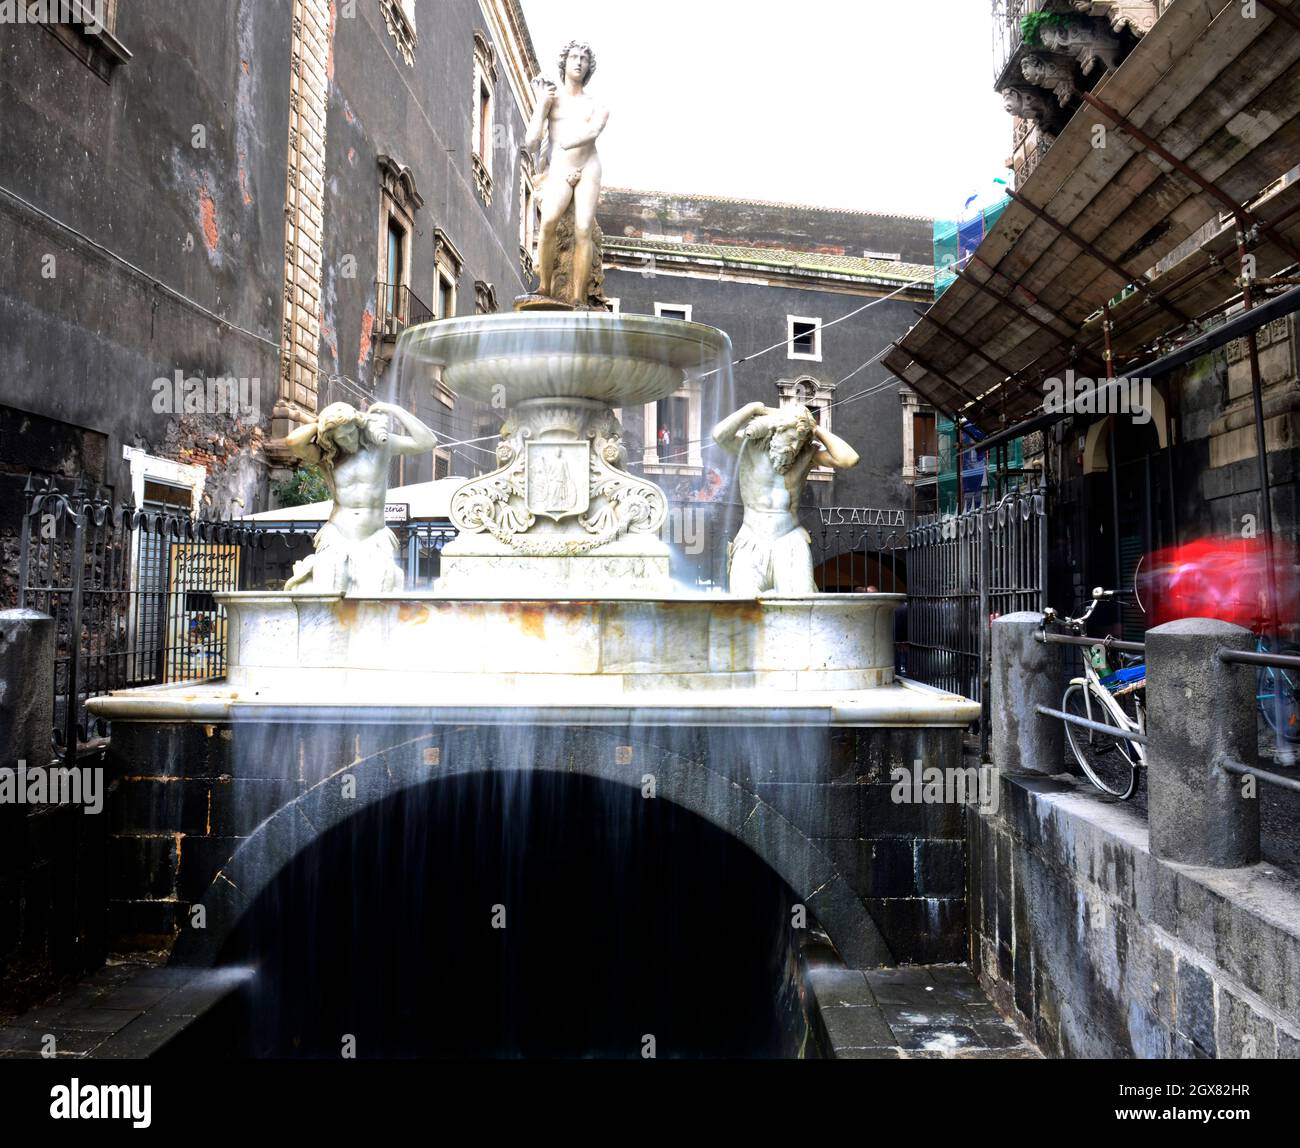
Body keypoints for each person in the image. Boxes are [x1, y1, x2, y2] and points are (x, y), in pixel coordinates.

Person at [283, 401, 437, 594]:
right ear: (332, 439)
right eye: (342, 438)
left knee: (375, 596)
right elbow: (292, 442)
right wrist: (322, 422)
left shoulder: (381, 446)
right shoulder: (327, 457)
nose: (349, 440)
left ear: (358, 426)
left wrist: (394, 409)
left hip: (374, 535)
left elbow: (427, 442)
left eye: (351, 432)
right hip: (337, 534)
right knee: (328, 594)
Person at [711, 401, 859, 595]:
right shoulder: (750, 447)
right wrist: (752, 408)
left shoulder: (807, 454)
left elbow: (849, 459)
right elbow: (718, 435)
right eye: (792, 438)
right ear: (779, 430)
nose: (795, 446)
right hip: (751, 539)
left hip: (789, 540)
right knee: (744, 607)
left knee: (799, 606)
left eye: (801, 441)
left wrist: (816, 429)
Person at [525, 40, 607, 306]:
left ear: (589, 67)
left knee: (583, 229)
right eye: (574, 56)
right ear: (565, 62)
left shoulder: (597, 106)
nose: (579, 62)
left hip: (588, 167)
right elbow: (531, 141)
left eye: (584, 58)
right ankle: (545, 286)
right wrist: (540, 104)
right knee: (548, 222)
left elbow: (593, 132)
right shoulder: (552, 99)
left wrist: (568, 144)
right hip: (560, 168)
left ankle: (577, 296)